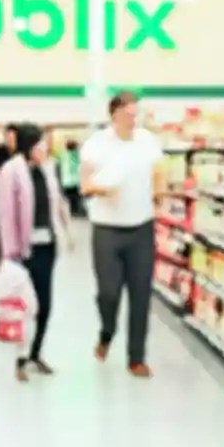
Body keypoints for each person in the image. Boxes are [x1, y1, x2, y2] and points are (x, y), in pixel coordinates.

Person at [80, 91, 164, 378]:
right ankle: (107, 331)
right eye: (128, 113)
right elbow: (84, 184)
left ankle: (136, 358)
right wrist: (102, 189)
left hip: (141, 227)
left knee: (141, 296)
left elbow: (158, 171)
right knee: (108, 293)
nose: (133, 118)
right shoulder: (97, 144)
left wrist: (159, 192)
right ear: (114, 113)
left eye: (135, 113)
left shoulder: (147, 141)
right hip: (107, 229)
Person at [0, 122, 69, 383]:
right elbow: (5, 214)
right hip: (22, 251)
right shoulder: (11, 171)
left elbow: (56, 203)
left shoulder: (48, 169)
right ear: (29, 146)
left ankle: (36, 353)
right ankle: (19, 359)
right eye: (40, 143)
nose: (45, 148)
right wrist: (10, 252)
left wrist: (65, 233)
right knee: (23, 307)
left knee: (45, 305)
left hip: (46, 246)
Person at [57, 139, 82, 217]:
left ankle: (70, 211)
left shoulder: (63, 155)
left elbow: (58, 165)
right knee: (76, 198)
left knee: (68, 198)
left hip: (66, 181)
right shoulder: (77, 155)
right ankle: (75, 211)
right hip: (76, 181)